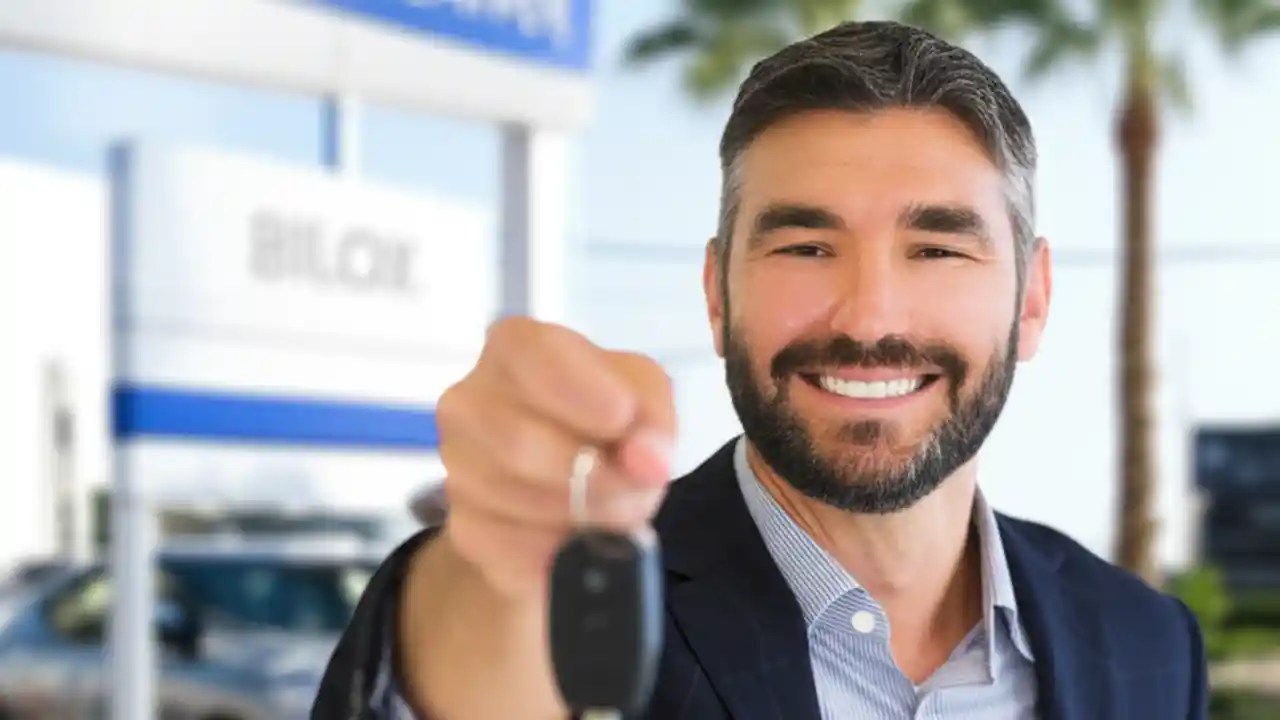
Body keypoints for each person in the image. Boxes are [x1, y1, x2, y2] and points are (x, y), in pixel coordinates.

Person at [313, 20, 1208, 720]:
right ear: (717, 293)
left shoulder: (1146, 642)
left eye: (936, 249)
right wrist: (495, 571)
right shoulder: (607, 589)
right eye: (807, 246)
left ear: (1034, 300)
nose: (869, 316)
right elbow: (474, 679)